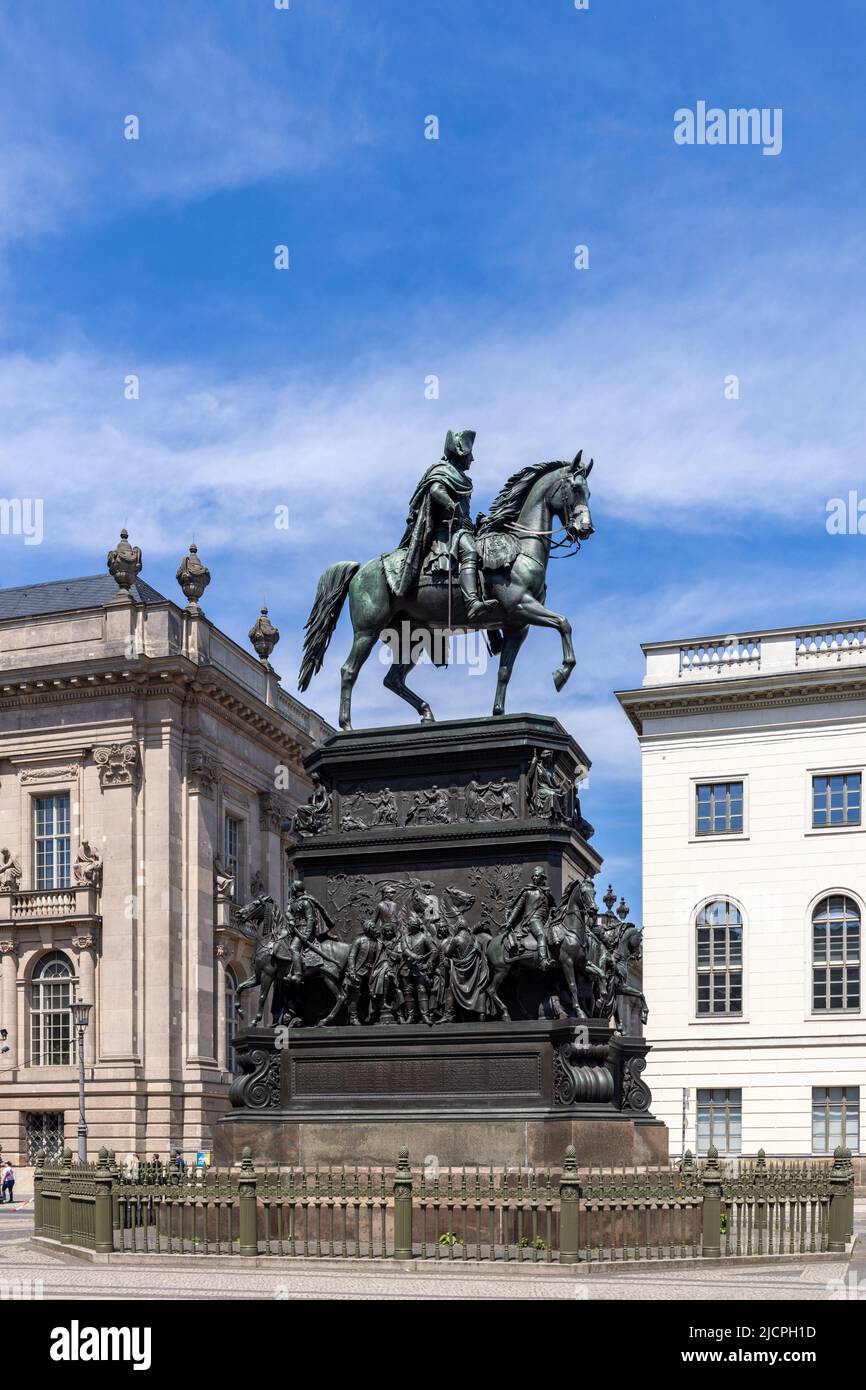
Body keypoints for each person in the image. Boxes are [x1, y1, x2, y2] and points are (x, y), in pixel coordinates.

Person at [395, 429, 497, 620]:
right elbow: (435, 489)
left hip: (464, 528)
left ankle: (492, 626)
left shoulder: (459, 475)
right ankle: (472, 603)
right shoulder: (442, 470)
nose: (472, 459)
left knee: (487, 560)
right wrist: (453, 506)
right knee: (471, 552)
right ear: (460, 455)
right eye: (469, 454)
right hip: (449, 531)